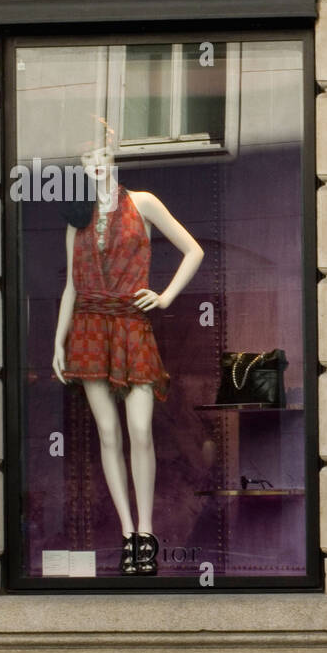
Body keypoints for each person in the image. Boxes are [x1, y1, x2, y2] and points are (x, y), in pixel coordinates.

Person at [53, 144, 204, 575]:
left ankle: (146, 529)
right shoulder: (77, 220)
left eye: (102, 153)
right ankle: (127, 534)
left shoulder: (143, 203)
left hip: (131, 324)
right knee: (107, 434)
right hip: (89, 329)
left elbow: (193, 250)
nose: (96, 162)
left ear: (115, 158)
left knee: (139, 430)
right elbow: (71, 288)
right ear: (81, 167)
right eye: (86, 157)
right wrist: (58, 343)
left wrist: (166, 296)